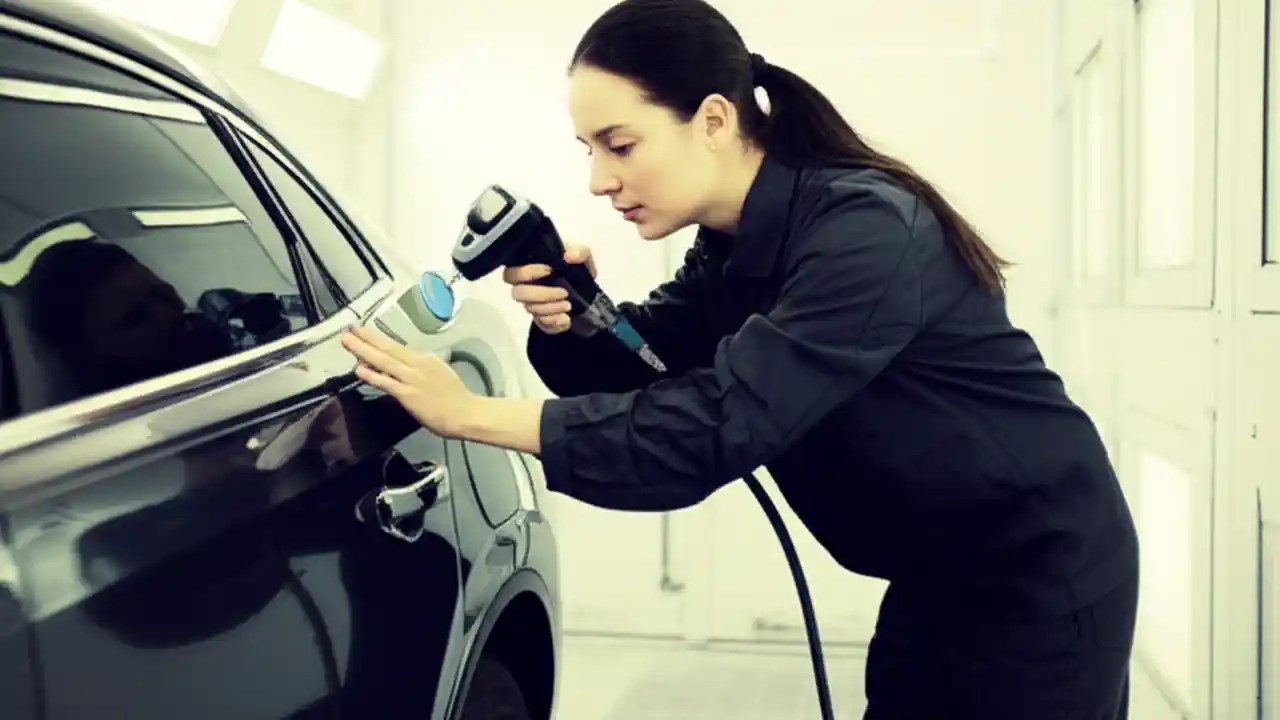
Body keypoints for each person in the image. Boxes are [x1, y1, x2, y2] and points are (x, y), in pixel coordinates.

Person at [340, 0, 1140, 716]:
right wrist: (574, 317)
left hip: (1038, 576)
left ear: (715, 120)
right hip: (936, 576)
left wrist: (469, 413)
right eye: (587, 149)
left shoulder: (863, 233)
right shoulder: (727, 245)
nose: (597, 180)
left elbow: (712, 426)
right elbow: (651, 362)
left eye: (619, 145)